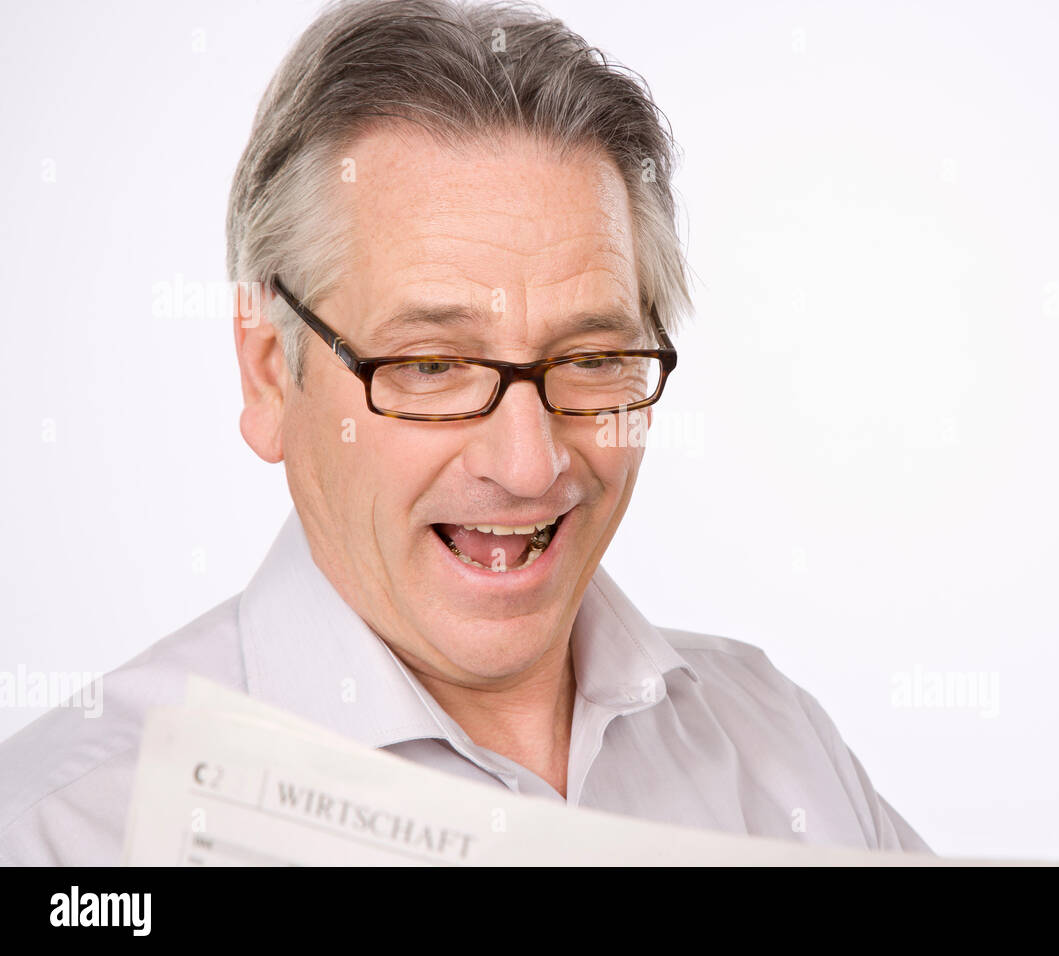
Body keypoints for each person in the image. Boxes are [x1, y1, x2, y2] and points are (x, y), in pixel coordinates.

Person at [0, 0, 930, 865]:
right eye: (434, 366)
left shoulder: (779, 744)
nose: (529, 466)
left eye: (591, 358)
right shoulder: (69, 831)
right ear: (271, 373)